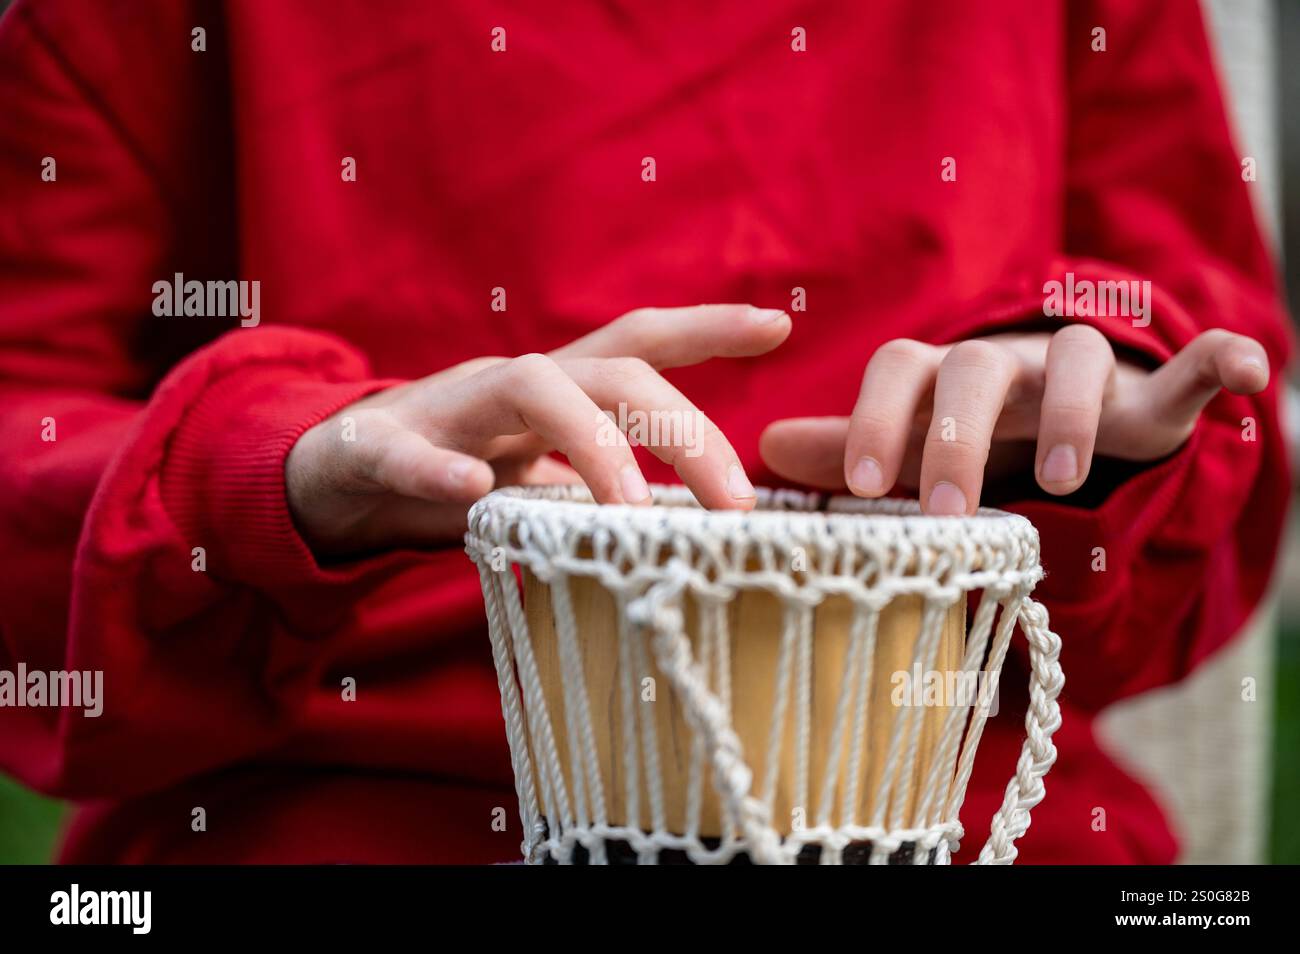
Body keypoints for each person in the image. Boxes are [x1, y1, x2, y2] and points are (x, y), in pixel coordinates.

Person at [0, 0, 1289, 863]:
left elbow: (1203, 381)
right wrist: (283, 467)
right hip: (326, 814)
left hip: (958, 813)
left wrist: (1088, 408)